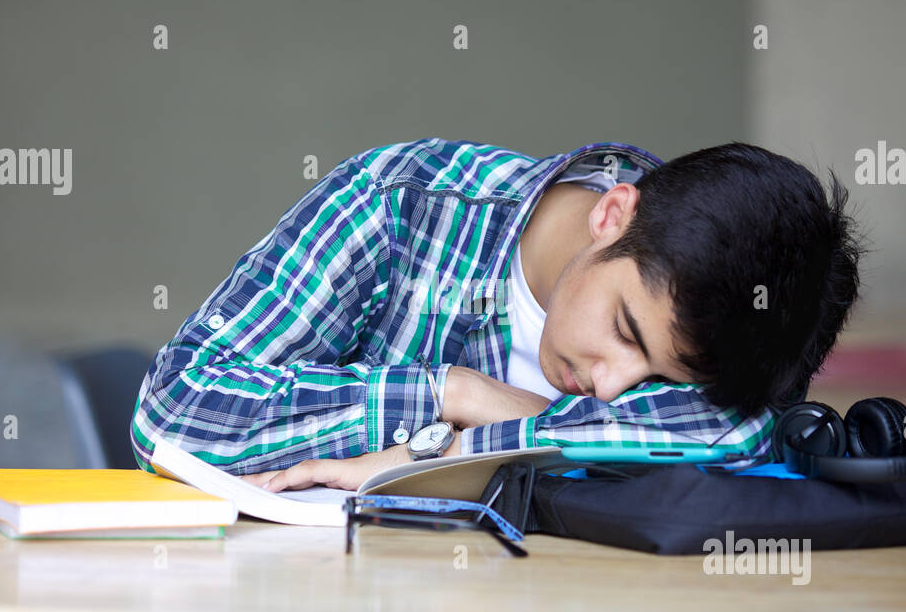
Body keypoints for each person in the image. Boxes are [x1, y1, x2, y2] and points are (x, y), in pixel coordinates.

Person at [130, 137, 862, 491]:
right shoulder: (398, 206)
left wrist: (445, 452)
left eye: (651, 373)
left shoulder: (726, 312)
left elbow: (740, 433)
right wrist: (451, 394)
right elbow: (176, 417)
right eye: (623, 332)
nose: (612, 387)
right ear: (612, 213)